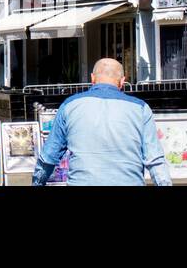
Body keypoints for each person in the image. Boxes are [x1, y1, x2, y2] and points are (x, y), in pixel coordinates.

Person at [33, 58, 172, 187]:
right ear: (122, 81)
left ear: (92, 78)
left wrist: (37, 183)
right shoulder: (140, 108)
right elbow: (155, 160)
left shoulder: (70, 105)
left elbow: (48, 157)